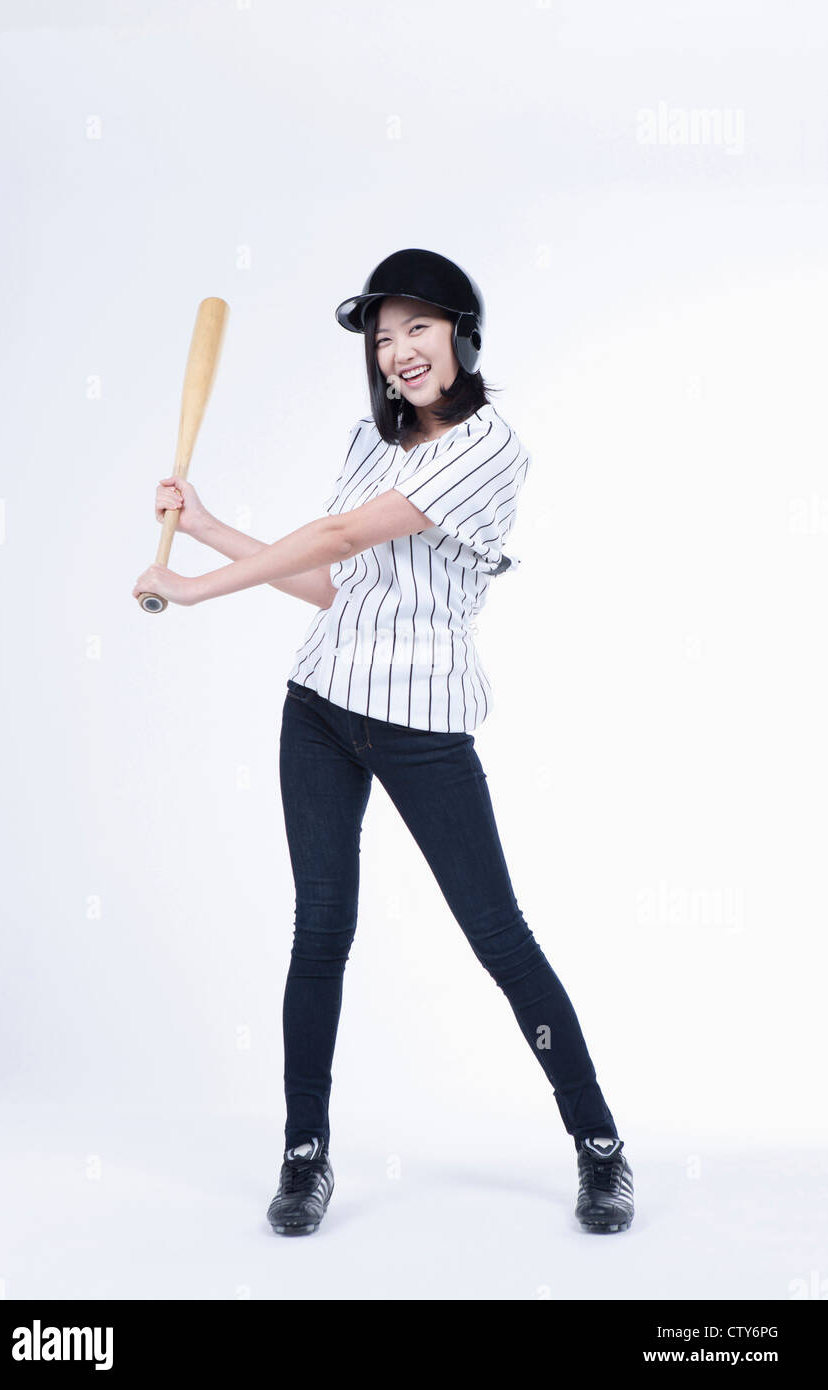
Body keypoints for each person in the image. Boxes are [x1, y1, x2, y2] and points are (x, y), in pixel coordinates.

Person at [134, 248, 634, 1239]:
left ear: (459, 333)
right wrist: (208, 531)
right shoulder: (370, 442)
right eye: (383, 333)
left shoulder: (489, 447)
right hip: (318, 706)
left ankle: (598, 1146)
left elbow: (335, 540)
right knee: (318, 929)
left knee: (498, 936)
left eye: (418, 327)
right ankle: (304, 1154)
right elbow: (331, 585)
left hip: (421, 724)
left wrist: (193, 591)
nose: (398, 349)